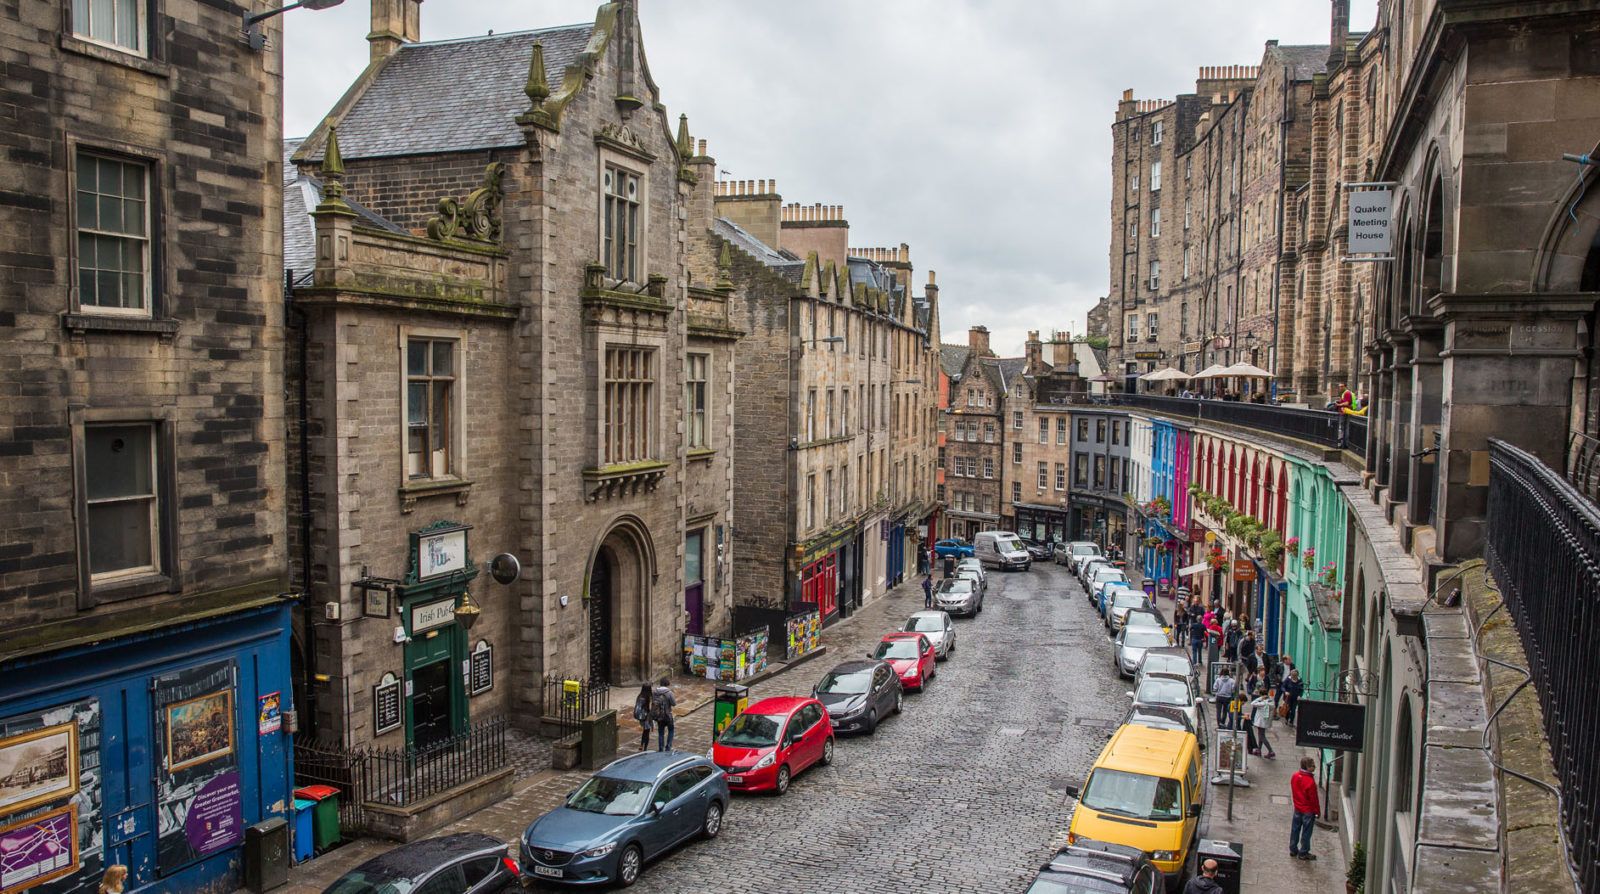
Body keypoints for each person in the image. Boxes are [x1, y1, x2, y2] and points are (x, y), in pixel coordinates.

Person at [1291, 756, 1321, 859]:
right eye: (1313, 765)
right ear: (1307, 767)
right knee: (1306, 832)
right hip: (1307, 810)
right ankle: (1303, 852)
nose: (1315, 767)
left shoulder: (1295, 776)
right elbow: (1314, 799)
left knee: (1295, 829)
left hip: (1297, 808)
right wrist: (1317, 811)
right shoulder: (1310, 782)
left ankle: (1293, 849)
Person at [1248, 687, 1277, 758]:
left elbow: (1252, 703)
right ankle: (1259, 750)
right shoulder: (1271, 701)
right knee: (1260, 735)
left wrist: (1260, 698)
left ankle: (1271, 751)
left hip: (1260, 721)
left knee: (1262, 736)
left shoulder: (1262, 703)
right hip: (1266, 721)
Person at [650, 677, 677, 752]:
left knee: (661, 732)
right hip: (668, 715)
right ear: (667, 684)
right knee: (671, 730)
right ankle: (668, 747)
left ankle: (661, 748)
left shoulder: (654, 692)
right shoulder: (669, 693)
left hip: (659, 716)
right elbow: (674, 703)